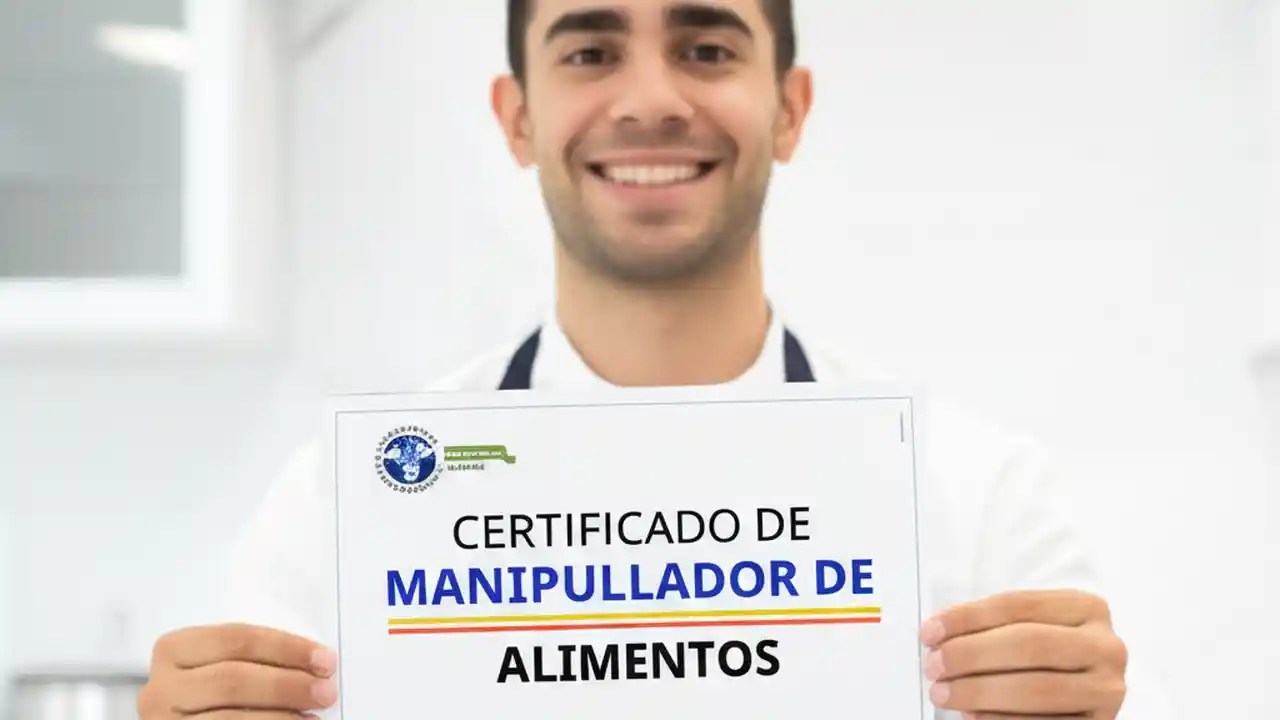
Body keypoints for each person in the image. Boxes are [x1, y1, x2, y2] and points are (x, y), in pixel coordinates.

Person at [138, 1, 1171, 718]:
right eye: (588, 53)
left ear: (789, 107)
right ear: (517, 118)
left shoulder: (978, 498)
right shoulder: (340, 510)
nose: (648, 100)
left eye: (706, 49)